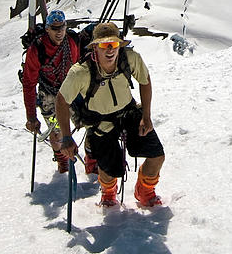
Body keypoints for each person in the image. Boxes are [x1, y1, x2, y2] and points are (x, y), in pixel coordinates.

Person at [56, 22, 165, 208]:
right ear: (95, 47)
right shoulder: (81, 72)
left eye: (113, 45)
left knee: (156, 156)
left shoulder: (130, 59)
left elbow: (145, 81)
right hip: (100, 122)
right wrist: (66, 136)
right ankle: (108, 191)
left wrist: (146, 116)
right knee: (109, 169)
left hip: (128, 112)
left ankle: (145, 190)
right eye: (104, 45)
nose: (109, 50)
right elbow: (61, 101)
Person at [21, 9, 92, 174]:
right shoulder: (37, 49)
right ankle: (62, 161)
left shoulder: (73, 41)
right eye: (55, 28)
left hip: (73, 89)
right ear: (47, 29)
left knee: (91, 122)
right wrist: (31, 116)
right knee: (57, 131)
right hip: (49, 94)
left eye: (62, 27)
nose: (59, 32)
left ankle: (92, 159)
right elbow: (29, 83)